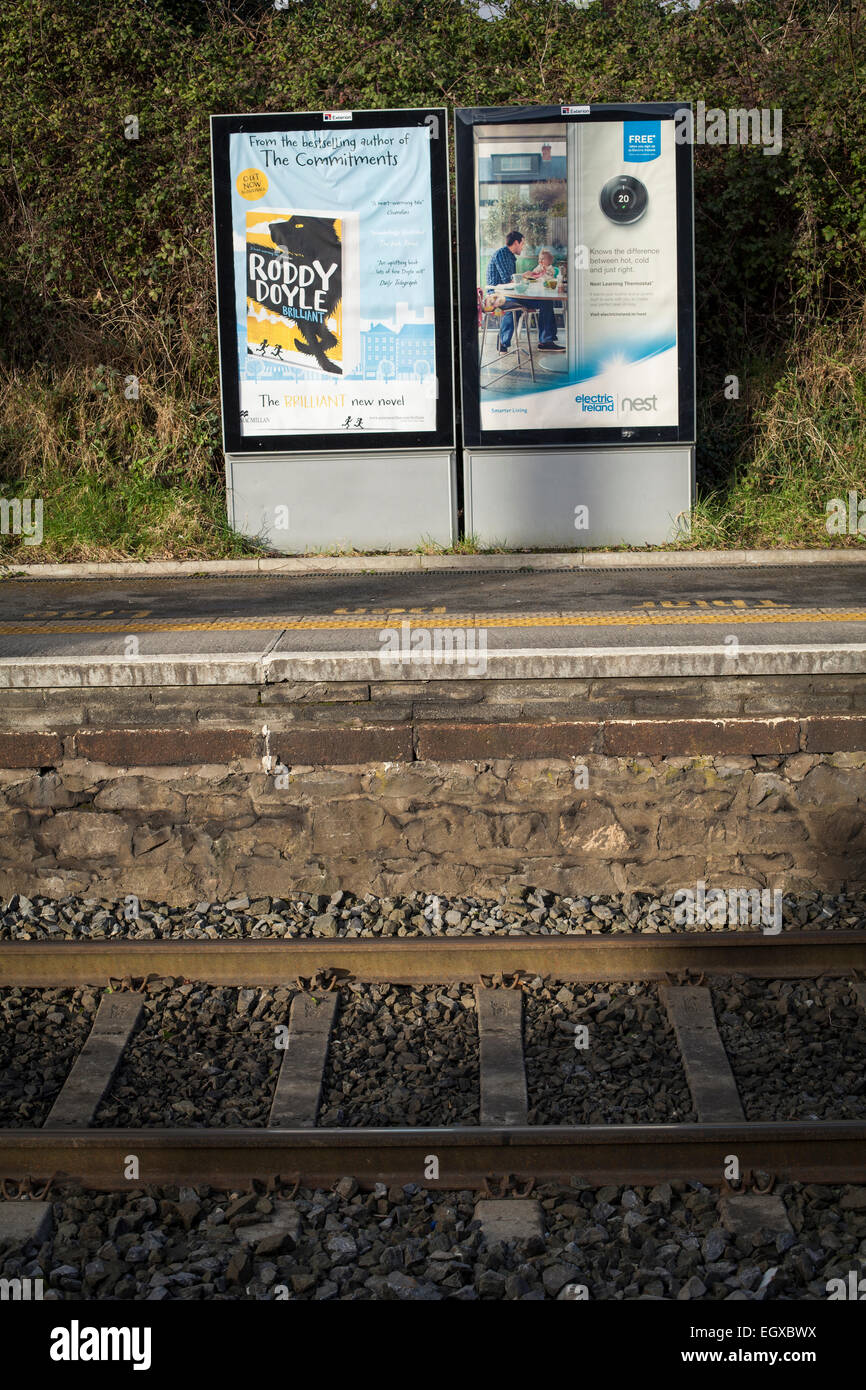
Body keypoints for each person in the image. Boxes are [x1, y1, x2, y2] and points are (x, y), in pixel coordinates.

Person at [486, 231, 564, 353]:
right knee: (521, 307)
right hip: (498, 295)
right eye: (522, 244)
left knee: (546, 302)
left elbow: (512, 281)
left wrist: (526, 278)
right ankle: (503, 341)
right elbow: (509, 280)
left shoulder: (509, 256)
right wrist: (524, 275)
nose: (523, 247)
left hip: (507, 292)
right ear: (516, 242)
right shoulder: (502, 254)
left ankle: (546, 341)